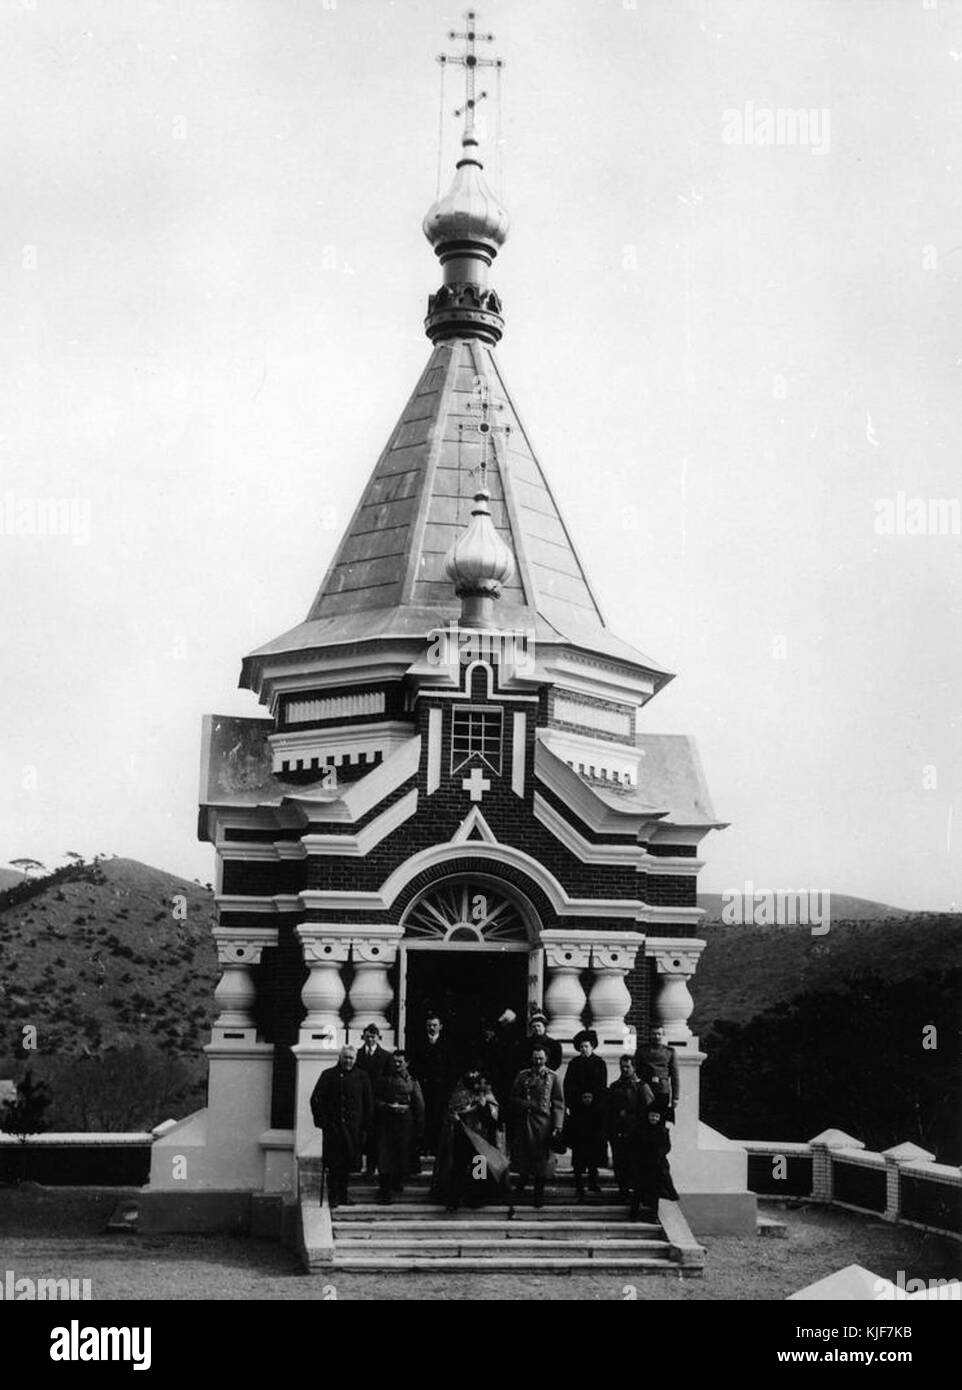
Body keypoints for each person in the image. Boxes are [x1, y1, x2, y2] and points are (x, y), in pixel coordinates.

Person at [432, 1064, 506, 1212]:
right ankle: (454, 1198)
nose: (473, 1078)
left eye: (476, 1074)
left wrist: (484, 1106)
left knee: (478, 1169)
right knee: (459, 1167)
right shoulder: (459, 1093)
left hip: (481, 1137)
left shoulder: (486, 1094)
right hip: (462, 1136)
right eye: (470, 1073)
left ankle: (476, 1197)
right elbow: (453, 1111)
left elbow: (493, 1117)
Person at [309, 1045, 372, 1210]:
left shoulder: (362, 1077)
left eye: (351, 1058)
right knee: (334, 1164)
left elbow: (368, 1105)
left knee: (347, 1164)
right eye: (345, 1058)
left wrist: (364, 1128)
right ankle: (333, 1196)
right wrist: (323, 1122)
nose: (348, 1061)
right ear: (340, 1058)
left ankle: (343, 1196)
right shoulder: (328, 1075)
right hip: (334, 1129)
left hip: (353, 1130)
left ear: (355, 1060)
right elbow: (316, 1099)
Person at [507, 1043, 565, 1208]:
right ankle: (520, 1187)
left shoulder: (553, 1077)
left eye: (541, 1058)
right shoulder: (522, 1076)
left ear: (546, 1059)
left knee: (542, 1160)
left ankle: (538, 1195)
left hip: (544, 1125)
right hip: (525, 1122)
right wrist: (524, 1104)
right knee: (524, 1156)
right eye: (535, 1058)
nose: (538, 1061)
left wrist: (557, 1126)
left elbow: (558, 1103)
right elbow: (513, 1098)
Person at [372, 1051, 424, 1204]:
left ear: (407, 1063)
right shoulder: (383, 1080)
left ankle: (397, 1181)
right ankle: (385, 1191)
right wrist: (387, 1106)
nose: (396, 1065)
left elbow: (419, 1107)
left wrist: (419, 1129)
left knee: (401, 1155)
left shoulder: (412, 1082)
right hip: (386, 1124)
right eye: (394, 1061)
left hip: (405, 1124)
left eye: (400, 1062)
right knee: (385, 1157)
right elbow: (375, 1100)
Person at [563, 1028, 609, 1200]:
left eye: (587, 1046)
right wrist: (578, 1098)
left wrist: (593, 1098)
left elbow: (602, 1085)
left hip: (595, 1113)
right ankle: (579, 1183)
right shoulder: (574, 1064)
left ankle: (593, 1180)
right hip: (579, 1112)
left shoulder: (600, 1063)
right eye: (581, 1046)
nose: (584, 1049)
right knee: (579, 1147)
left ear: (593, 1046)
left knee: (594, 1147)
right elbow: (568, 1085)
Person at [607, 1054, 651, 1203]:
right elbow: (609, 1110)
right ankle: (622, 1191)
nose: (624, 1069)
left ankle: (636, 1194)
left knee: (634, 1163)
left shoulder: (641, 1087)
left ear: (634, 1068)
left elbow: (649, 1110)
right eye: (622, 1067)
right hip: (618, 1131)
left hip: (635, 1132)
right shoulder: (614, 1087)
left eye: (628, 1067)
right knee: (619, 1163)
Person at [409, 1013, 456, 1154]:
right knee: (424, 1116)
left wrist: (448, 1088)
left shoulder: (447, 1045)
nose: (432, 1028)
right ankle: (425, 1145)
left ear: (440, 1027)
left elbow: (451, 1068)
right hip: (423, 1087)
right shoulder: (419, 1044)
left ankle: (436, 1146)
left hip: (440, 1089)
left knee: (439, 1117)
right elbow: (415, 1065)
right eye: (429, 1025)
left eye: (435, 1025)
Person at [634, 1093, 679, 1219]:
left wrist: (660, 1153)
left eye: (656, 1116)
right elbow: (635, 1145)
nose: (653, 1118)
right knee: (639, 1189)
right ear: (648, 1116)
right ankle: (634, 1213)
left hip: (656, 1164)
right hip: (642, 1164)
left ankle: (653, 1214)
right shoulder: (640, 1129)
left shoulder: (663, 1131)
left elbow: (667, 1146)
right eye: (652, 1116)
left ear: (659, 1118)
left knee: (655, 1191)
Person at [355, 1023, 391, 1175]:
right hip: (362, 1101)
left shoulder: (386, 1056)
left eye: (373, 1036)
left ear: (378, 1037)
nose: (370, 1039)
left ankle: (376, 1166)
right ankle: (363, 1166)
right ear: (363, 1037)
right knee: (363, 1133)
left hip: (378, 1101)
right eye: (368, 1036)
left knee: (377, 1135)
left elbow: (388, 1080)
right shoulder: (357, 1055)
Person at [634, 1024, 680, 1120]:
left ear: (663, 1035)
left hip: (662, 1090)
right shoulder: (642, 1050)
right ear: (650, 1035)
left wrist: (675, 1097)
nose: (656, 1036)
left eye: (659, 1034)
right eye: (654, 1034)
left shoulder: (670, 1052)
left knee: (660, 1119)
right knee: (643, 1118)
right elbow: (636, 1070)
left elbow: (675, 1076)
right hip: (646, 1089)